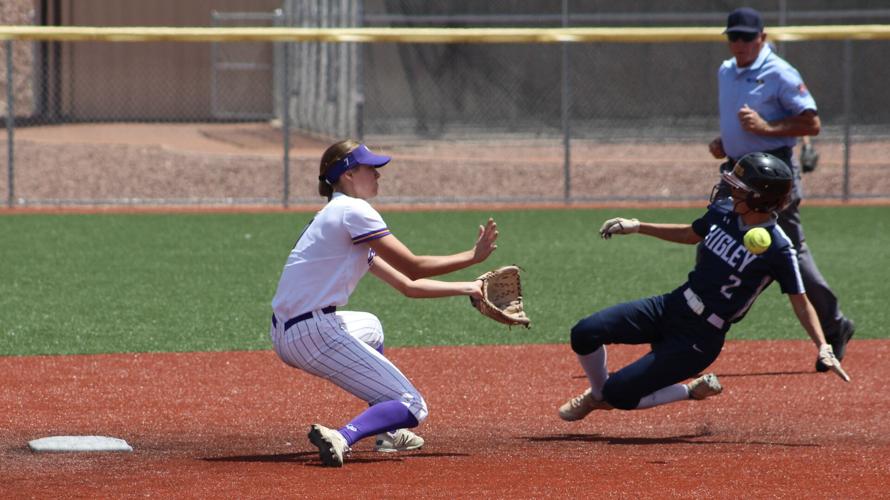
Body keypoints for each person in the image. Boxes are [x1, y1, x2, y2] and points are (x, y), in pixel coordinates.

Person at [558, 153, 849, 420]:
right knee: (585, 332)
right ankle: (596, 395)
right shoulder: (724, 211)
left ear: (760, 198)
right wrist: (637, 225)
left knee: (618, 395)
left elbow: (800, 301)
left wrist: (822, 345)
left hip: (700, 338)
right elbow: (690, 233)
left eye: (740, 188)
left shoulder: (778, 248)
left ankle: (689, 391)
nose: (731, 191)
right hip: (673, 305)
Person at [270, 139, 499, 467]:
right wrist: (472, 257)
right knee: (413, 404)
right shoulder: (354, 210)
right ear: (348, 174)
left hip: (287, 333)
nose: (378, 175)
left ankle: (387, 433)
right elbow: (413, 266)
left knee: (372, 327)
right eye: (371, 169)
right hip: (313, 333)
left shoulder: (334, 216)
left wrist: (469, 288)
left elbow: (408, 286)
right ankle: (343, 436)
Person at [707, 7, 854, 373]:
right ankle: (696, 320)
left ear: (763, 37)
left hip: (774, 177)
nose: (739, 43)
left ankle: (834, 325)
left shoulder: (779, 73)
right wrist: (726, 140)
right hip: (737, 171)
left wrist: (765, 126)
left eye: (746, 36)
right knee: (714, 235)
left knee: (792, 254)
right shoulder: (726, 71)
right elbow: (739, 123)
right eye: (733, 36)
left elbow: (812, 123)